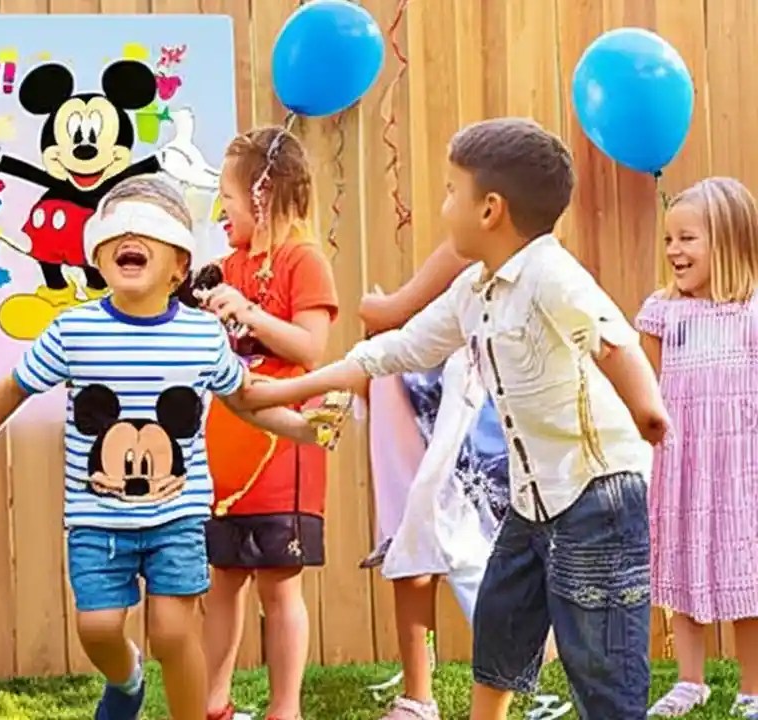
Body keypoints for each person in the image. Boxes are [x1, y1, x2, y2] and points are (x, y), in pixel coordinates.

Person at [239, 117, 670, 720]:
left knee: (601, 659)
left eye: (450, 191)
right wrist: (282, 392)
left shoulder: (551, 274)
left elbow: (613, 339)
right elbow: (395, 350)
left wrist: (648, 411)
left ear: (490, 209)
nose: (443, 206)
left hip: (597, 491)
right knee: (500, 620)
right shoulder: (475, 289)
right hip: (535, 497)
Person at [0, 175, 324, 720]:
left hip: (177, 517)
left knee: (173, 632)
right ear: (96, 255)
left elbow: (246, 397)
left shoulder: (202, 336)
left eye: (148, 228)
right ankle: (126, 679)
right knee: (98, 628)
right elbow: (7, 393)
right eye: (117, 228)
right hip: (97, 520)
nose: (130, 234)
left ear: (179, 265)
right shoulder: (73, 331)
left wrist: (302, 427)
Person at [192, 127, 338, 720]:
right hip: (227, 445)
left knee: (279, 582)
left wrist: (249, 312)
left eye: (226, 199)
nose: (219, 212)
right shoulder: (225, 266)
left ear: (262, 197)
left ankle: (285, 709)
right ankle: (212, 704)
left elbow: (311, 347)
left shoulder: (304, 260)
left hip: (283, 450)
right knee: (224, 578)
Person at [359, 240, 510, 720]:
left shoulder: (467, 251)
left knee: (487, 565)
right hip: (428, 417)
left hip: (469, 435)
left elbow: (384, 311)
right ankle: (420, 696)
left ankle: (506, 681)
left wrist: (374, 302)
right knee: (414, 555)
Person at [638, 177, 758, 720]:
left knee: (747, 571)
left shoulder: (751, 314)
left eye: (687, 239)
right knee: (684, 568)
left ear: (729, 242)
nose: (673, 251)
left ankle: (752, 687)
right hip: (683, 465)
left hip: (741, 470)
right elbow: (648, 389)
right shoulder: (664, 314)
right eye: (669, 239)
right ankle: (690, 681)